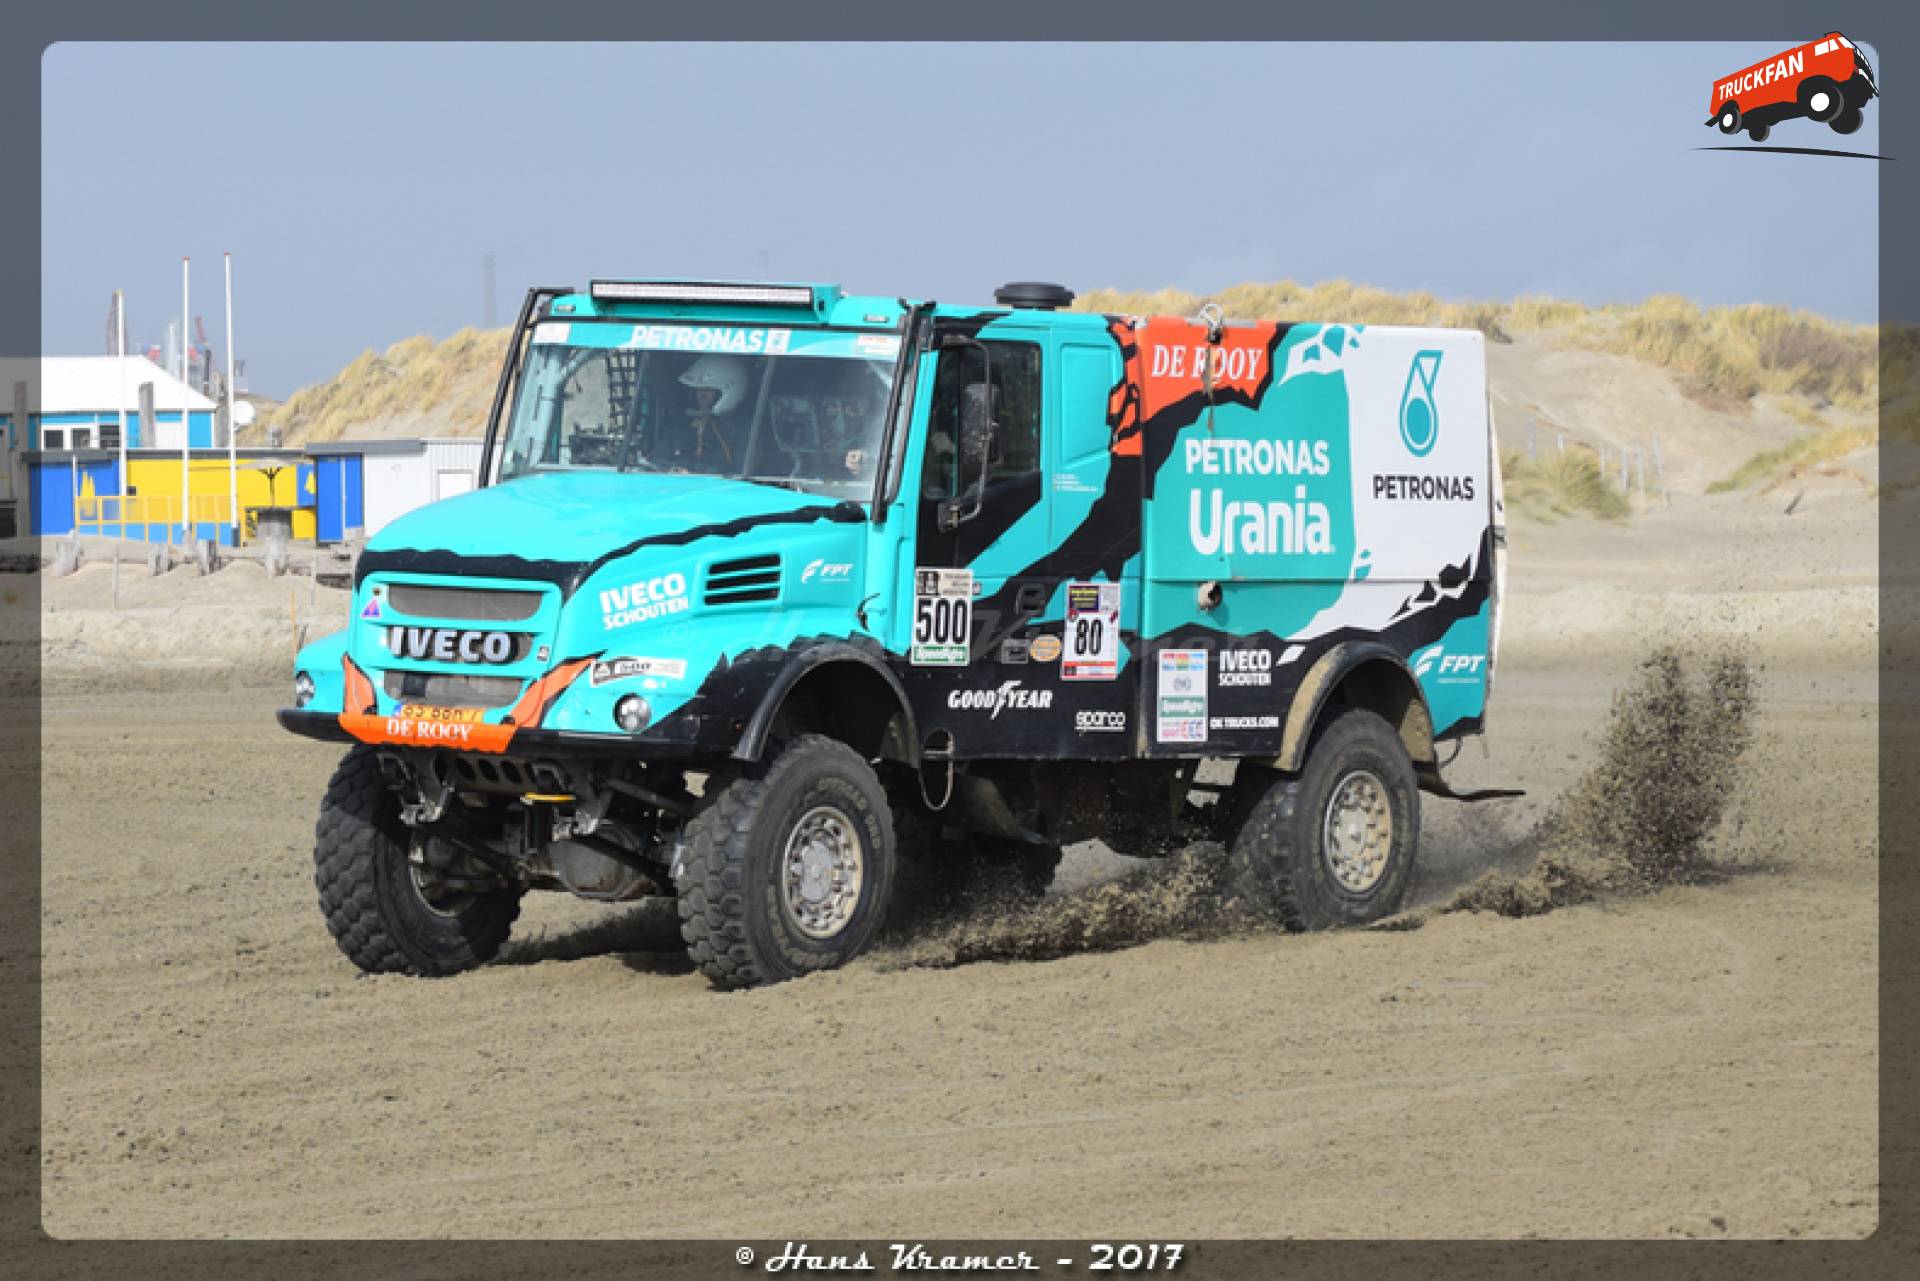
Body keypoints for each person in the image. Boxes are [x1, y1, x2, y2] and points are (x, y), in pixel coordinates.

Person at [658, 355, 751, 472]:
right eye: (698, 389)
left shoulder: (745, 432)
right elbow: (658, 462)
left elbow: (741, 478)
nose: (700, 395)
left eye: (708, 390)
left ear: (730, 390)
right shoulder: (680, 424)